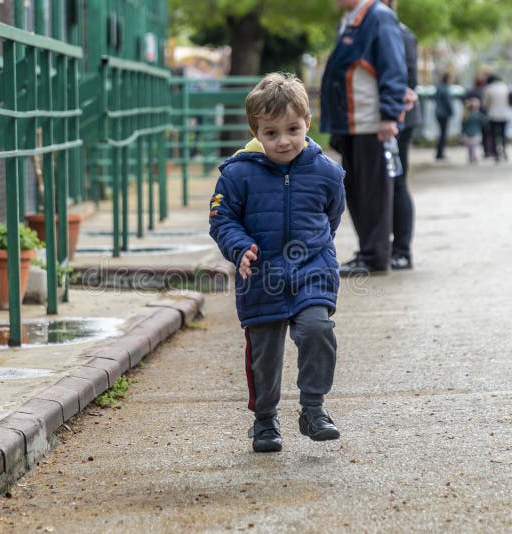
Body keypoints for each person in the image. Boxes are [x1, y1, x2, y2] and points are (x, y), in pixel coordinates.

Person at [209, 73, 346, 453]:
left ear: (307, 123)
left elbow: (331, 217)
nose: (283, 140)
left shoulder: (327, 172)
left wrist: (315, 250)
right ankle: (265, 419)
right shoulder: (238, 175)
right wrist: (239, 248)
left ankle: (314, 408)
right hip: (261, 275)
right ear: (256, 131)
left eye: (293, 129)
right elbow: (222, 219)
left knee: (317, 329)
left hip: (311, 269)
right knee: (264, 353)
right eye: (271, 133)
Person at [320, 0, 407, 276]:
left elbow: (392, 66)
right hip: (352, 123)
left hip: (370, 123)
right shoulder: (351, 19)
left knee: (373, 193)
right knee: (357, 191)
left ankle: (375, 255)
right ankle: (368, 251)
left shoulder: (378, 17)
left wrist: (390, 115)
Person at [380, 0, 419, 270]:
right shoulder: (392, 29)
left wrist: (389, 115)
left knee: (397, 181)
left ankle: (402, 249)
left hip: (399, 119)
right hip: (394, 116)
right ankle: (390, 249)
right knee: (388, 183)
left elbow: (407, 80)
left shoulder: (397, 31)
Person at [482, 73, 512, 163]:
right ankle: (504, 150)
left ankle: (496, 153)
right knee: (503, 134)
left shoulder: (489, 89)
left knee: (494, 135)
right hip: (505, 114)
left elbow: (485, 104)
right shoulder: (506, 87)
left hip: (493, 114)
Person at [434, 72, 454, 160]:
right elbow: (448, 102)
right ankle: (440, 153)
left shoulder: (439, 87)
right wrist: (452, 112)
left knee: (441, 133)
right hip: (444, 113)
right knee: (443, 134)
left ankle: (439, 152)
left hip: (438, 113)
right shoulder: (445, 89)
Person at [461, 97, 486, 164]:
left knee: (470, 147)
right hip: (476, 133)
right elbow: (484, 122)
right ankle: (473, 156)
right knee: (474, 147)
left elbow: (463, 125)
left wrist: (463, 133)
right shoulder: (479, 115)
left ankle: (471, 156)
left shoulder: (466, 115)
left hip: (467, 134)